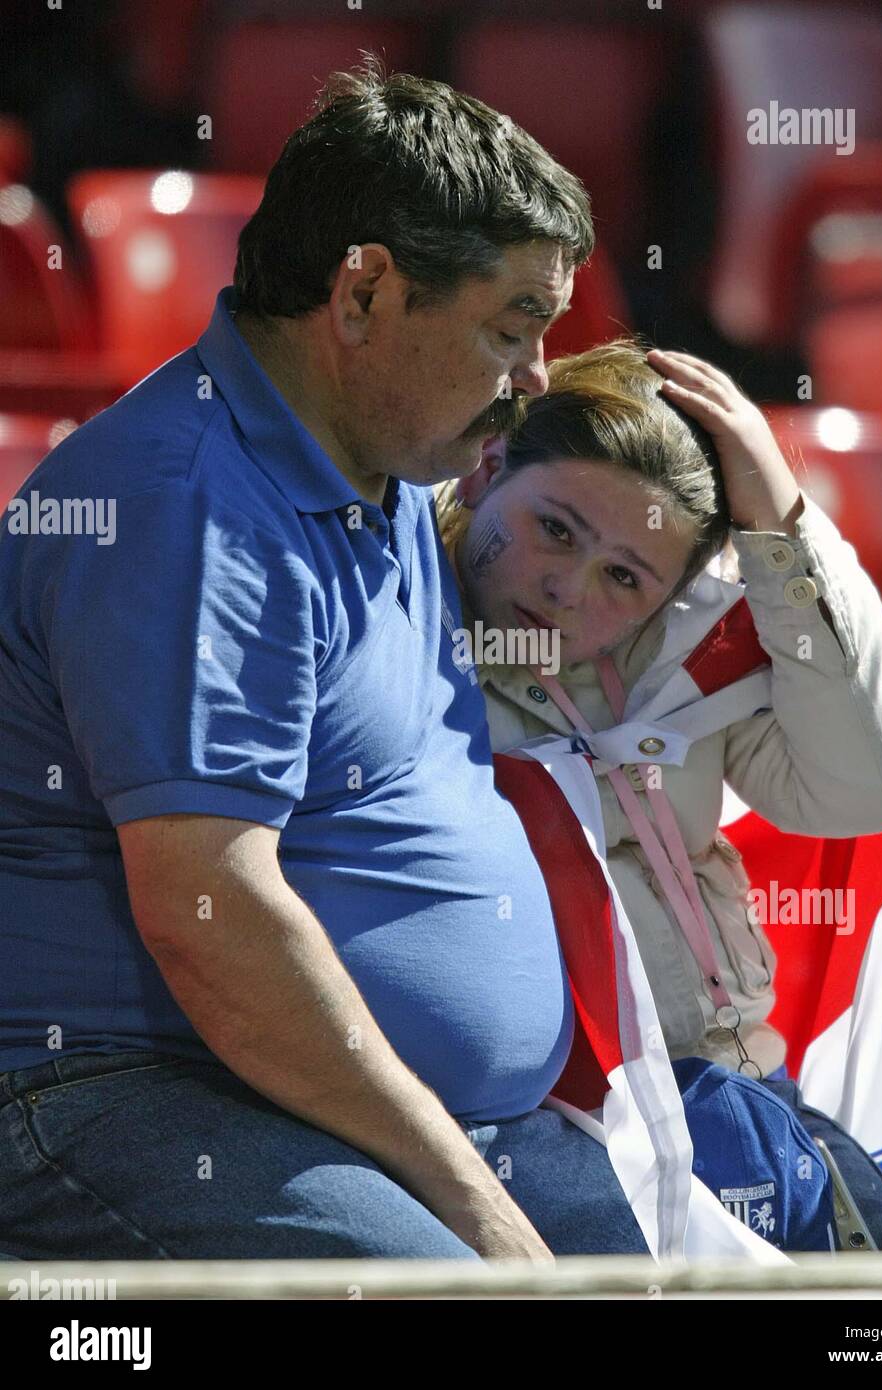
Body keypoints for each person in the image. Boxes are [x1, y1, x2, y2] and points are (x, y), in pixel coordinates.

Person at [0, 62, 672, 1264]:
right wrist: (466, 1200)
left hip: (342, 1104)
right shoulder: (186, 511)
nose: (531, 380)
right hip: (118, 1090)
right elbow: (214, 915)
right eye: (511, 327)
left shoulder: (388, 459)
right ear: (363, 290)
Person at [435, 338, 882, 1250]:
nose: (564, 587)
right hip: (531, 1124)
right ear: (488, 466)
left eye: (623, 577)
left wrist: (782, 528)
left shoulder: (681, 657)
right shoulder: (384, 615)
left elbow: (875, 789)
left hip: (725, 1090)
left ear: (670, 593)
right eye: (556, 528)